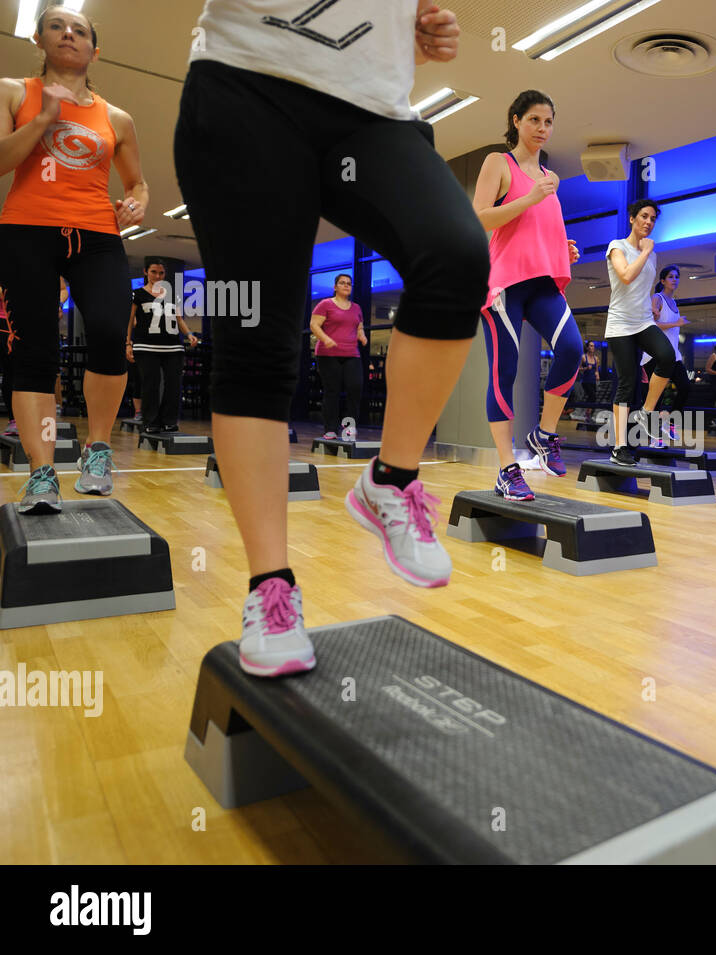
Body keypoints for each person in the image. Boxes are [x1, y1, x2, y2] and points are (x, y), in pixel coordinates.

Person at [173, 1, 490, 676]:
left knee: (458, 257)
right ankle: (271, 587)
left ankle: (391, 478)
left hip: (372, 110)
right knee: (256, 338)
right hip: (244, 83)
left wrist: (404, 33)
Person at [0, 4, 146, 509]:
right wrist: (43, 117)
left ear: (94, 51)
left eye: (79, 30)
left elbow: (138, 183)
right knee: (34, 352)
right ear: (39, 40)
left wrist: (139, 201)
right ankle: (42, 472)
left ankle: (98, 449)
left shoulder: (117, 117)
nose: (68, 34)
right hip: (26, 230)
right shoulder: (12, 91)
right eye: (57, 27)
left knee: (109, 331)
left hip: (97, 234)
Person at [472, 90, 582, 501]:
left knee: (572, 347)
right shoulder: (498, 163)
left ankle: (544, 434)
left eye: (549, 122)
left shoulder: (549, 177)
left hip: (542, 281)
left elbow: (535, 228)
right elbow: (481, 217)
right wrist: (530, 196)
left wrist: (560, 247)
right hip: (504, 284)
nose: (542, 128)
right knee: (506, 370)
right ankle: (506, 469)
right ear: (516, 120)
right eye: (534, 119)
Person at [604, 200, 674, 465]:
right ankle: (619, 447)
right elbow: (625, 276)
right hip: (620, 324)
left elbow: (642, 289)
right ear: (632, 219)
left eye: (653, 218)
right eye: (644, 216)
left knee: (667, 356)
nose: (648, 222)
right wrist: (644, 252)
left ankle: (646, 411)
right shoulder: (617, 246)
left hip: (644, 321)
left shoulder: (651, 254)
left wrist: (652, 310)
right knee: (627, 382)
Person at [128, 258, 200, 434]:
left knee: (174, 385)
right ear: (146, 272)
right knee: (150, 384)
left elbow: (179, 319)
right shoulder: (136, 294)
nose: (157, 276)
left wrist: (189, 333)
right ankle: (150, 421)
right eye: (154, 272)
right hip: (146, 346)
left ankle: (169, 421)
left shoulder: (171, 294)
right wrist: (128, 343)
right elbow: (129, 321)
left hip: (173, 346)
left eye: (161, 273)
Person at [309, 273, 367, 442]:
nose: (346, 285)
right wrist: (326, 339)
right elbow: (314, 325)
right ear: (335, 287)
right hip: (328, 354)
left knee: (355, 388)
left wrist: (362, 336)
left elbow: (359, 327)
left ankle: (349, 427)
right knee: (332, 391)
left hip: (351, 354)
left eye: (349, 283)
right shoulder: (325, 304)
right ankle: (330, 429)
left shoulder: (356, 307)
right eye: (342, 283)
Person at [641, 265, 691, 443]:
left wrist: (677, 323)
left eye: (677, 277)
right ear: (662, 281)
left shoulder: (674, 303)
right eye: (671, 277)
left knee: (685, 386)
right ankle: (655, 438)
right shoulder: (657, 298)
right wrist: (676, 324)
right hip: (655, 354)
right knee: (657, 395)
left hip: (673, 354)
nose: (674, 280)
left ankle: (668, 420)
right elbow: (650, 325)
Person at [571, 340, 601, 422]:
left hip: (593, 381)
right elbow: (578, 369)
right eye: (591, 346)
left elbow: (596, 370)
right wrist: (586, 368)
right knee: (592, 396)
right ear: (587, 347)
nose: (592, 347)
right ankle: (587, 414)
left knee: (593, 398)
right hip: (585, 381)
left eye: (593, 346)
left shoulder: (596, 358)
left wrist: (597, 374)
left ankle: (588, 415)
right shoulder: (583, 357)